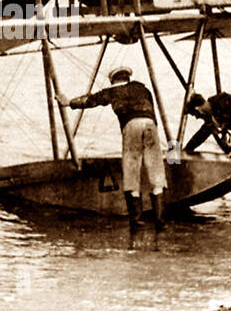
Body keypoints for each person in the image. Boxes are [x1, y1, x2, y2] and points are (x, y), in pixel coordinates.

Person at [67, 67, 167, 232]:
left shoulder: (113, 91)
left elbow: (90, 101)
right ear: (128, 77)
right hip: (151, 126)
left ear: (113, 80)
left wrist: (69, 103)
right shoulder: (143, 89)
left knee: (131, 172)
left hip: (131, 126)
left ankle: (137, 222)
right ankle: (160, 221)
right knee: (156, 173)